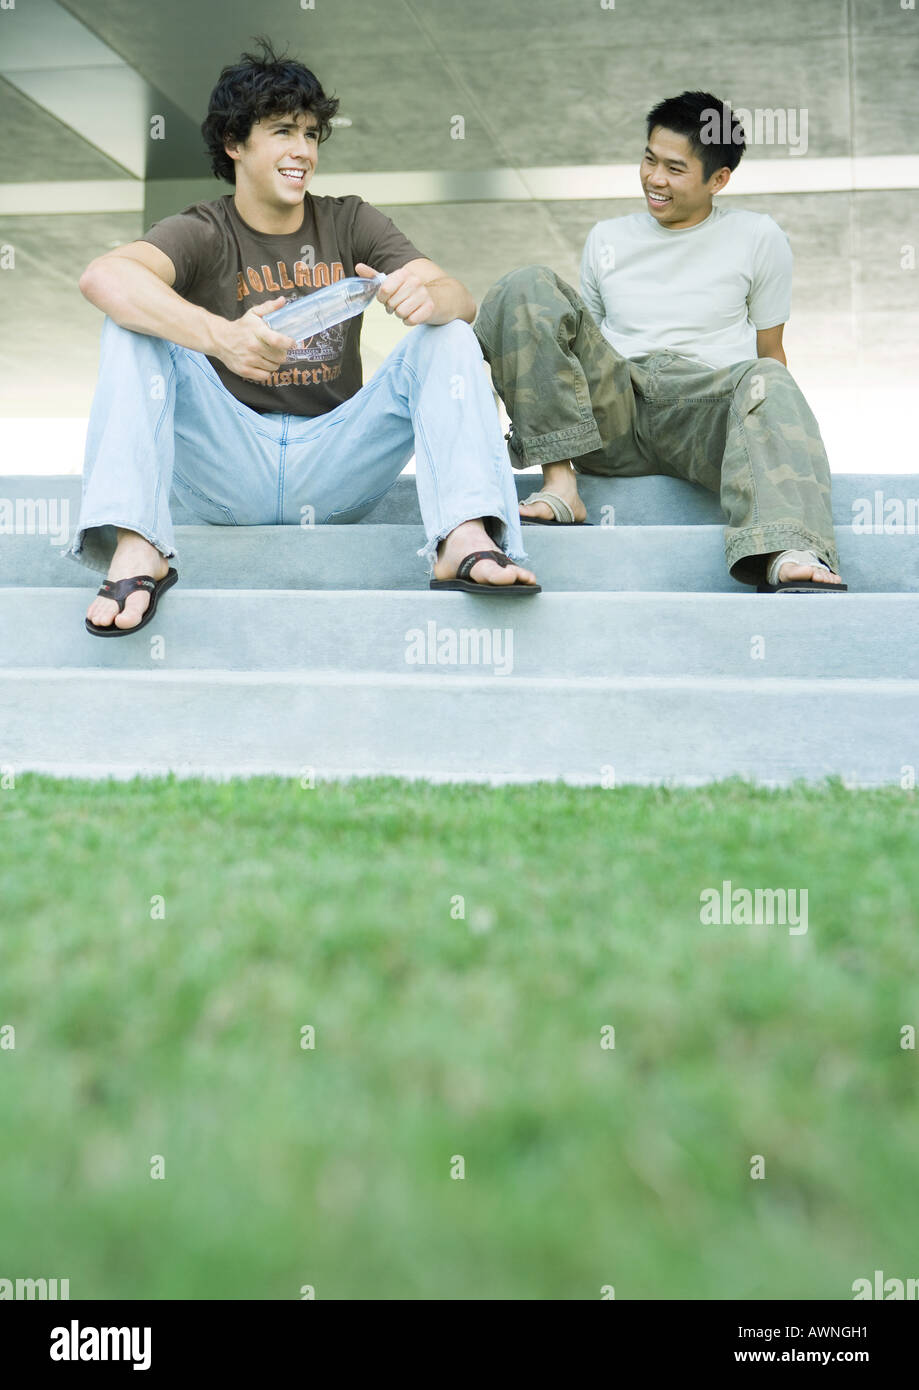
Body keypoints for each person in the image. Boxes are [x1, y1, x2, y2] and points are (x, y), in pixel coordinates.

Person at [69, 37, 539, 636]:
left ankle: (464, 537)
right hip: (229, 466)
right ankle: (137, 547)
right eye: (284, 131)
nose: (303, 150)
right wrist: (221, 337)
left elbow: (458, 297)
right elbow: (102, 276)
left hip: (336, 461)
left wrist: (429, 297)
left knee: (444, 335)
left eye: (312, 134)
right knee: (131, 323)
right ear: (235, 144)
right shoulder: (203, 229)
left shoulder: (349, 218)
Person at [473, 90, 846, 594]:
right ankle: (561, 485)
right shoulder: (606, 238)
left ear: (719, 179)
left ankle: (787, 545)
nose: (654, 178)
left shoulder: (758, 237)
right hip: (617, 406)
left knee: (768, 377)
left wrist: (781, 452)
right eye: (649, 159)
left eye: (674, 168)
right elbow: (578, 343)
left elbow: (770, 352)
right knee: (525, 284)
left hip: (704, 409)